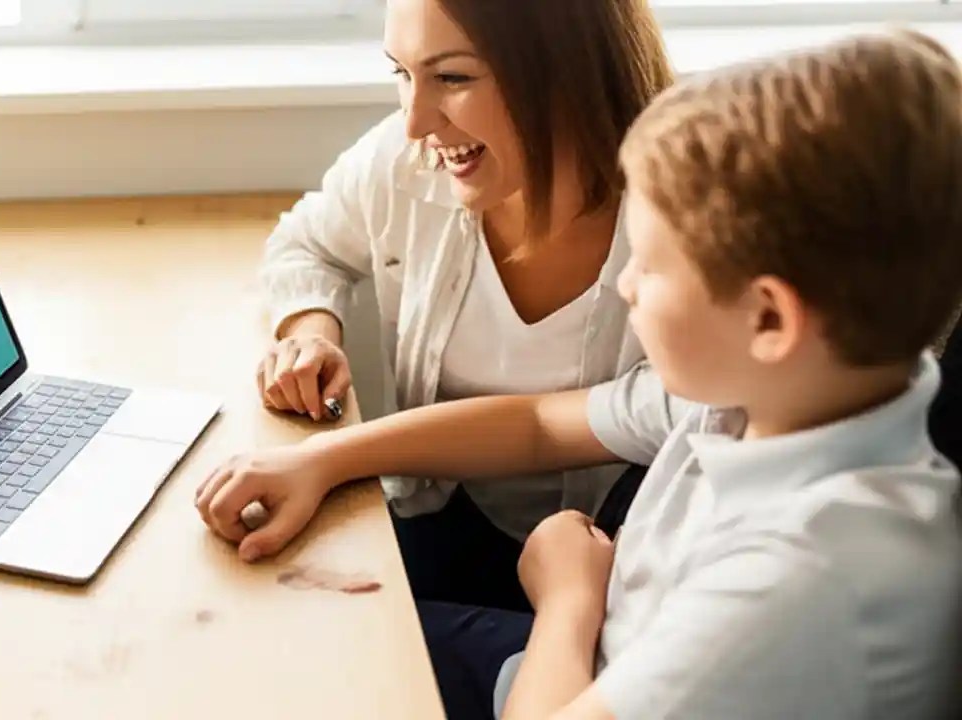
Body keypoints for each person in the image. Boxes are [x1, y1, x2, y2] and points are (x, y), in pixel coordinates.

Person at [198, 28, 962, 719]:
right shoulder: (767, 397)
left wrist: (569, 599)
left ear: (769, 319)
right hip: (569, 661)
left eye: (654, 268)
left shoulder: (805, 580)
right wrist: (317, 459)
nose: (626, 285)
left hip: (561, 664)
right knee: (273, 638)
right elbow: (537, 422)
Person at [253, 0, 672, 611]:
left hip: (616, 564)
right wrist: (312, 333)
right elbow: (306, 246)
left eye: (452, 77)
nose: (415, 122)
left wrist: (329, 458)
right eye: (401, 73)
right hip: (443, 518)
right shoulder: (403, 167)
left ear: (568, 71)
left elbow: (547, 428)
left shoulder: (687, 218)